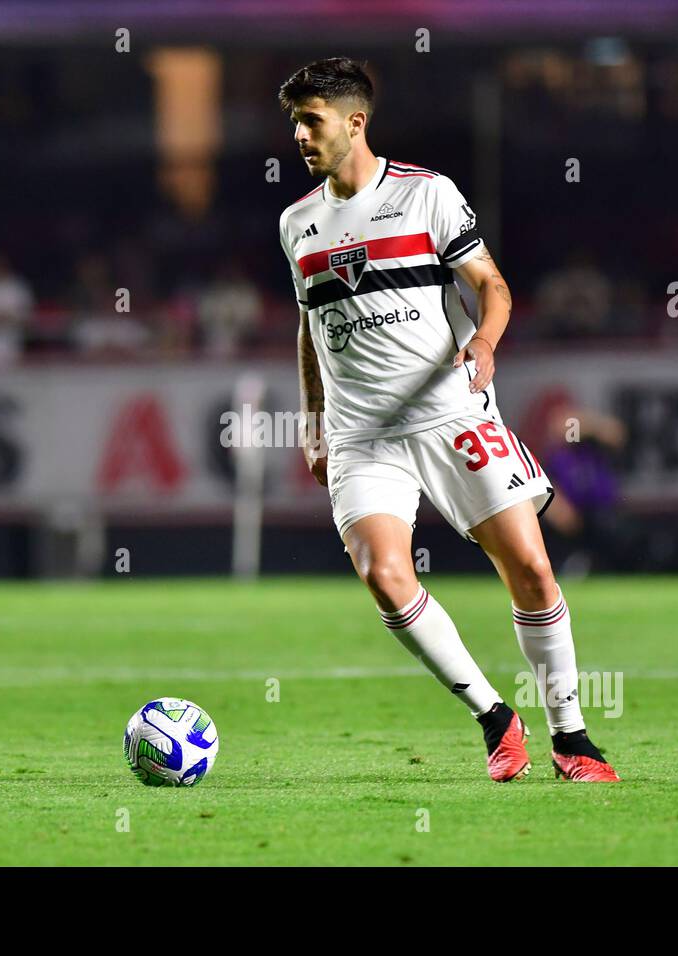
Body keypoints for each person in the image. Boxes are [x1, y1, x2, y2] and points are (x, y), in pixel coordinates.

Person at [276, 57, 618, 783]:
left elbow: (491, 285)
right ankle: (497, 718)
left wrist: (485, 343)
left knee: (529, 566)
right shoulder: (297, 222)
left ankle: (573, 737)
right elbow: (309, 329)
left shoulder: (427, 196)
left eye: (312, 120)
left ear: (355, 121)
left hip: (448, 412)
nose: (300, 135)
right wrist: (313, 421)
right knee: (385, 575)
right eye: (296, 122)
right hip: (362, 433)